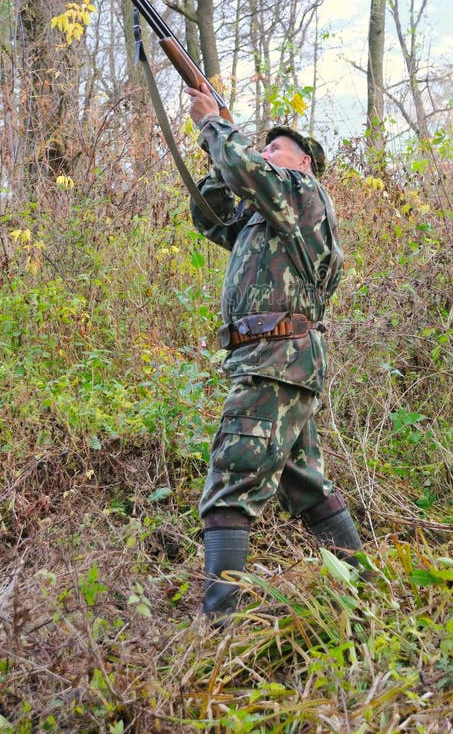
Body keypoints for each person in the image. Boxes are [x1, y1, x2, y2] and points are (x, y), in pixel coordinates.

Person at [185, 83, 363, 622]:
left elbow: (253, 175)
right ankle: (363, 586)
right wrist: (219, 148)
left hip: (276, 360)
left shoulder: (302, 195)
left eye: (277, 148)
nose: (267, 153)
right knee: (303, 484)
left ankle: (218, 627)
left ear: (304, 162)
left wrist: (215, 124)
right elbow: (210, 215)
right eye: (262, 148)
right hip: (276, 362)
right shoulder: (264, 221)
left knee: (231, 479)